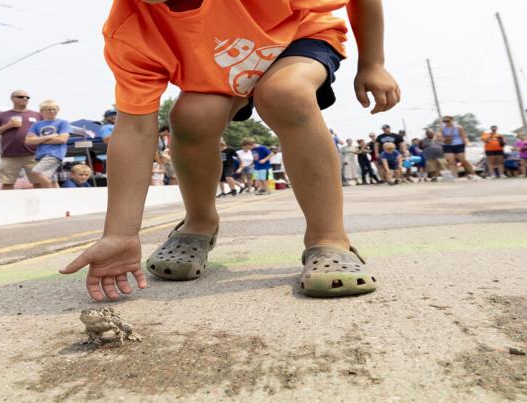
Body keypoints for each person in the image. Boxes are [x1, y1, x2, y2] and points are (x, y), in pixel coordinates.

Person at [62, 0, 399, 300]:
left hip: (297, 36)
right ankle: (199, 223)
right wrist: (120, 234)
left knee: (284, 94)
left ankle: (330, 238)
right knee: (191, 117)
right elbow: (135, 129)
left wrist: (373, 62)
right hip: (217, 68)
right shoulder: (130, 29)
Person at [0, 90, 42, 189]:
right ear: (12, 99)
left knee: (39, 182)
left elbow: (44, 131)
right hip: (9, 155)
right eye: (21, 97)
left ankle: (39, 200)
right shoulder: (1, 115)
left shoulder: (37, 115)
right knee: (7, 184)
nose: (25, 98)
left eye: (27, 97)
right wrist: (7, 126)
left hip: (34, 154)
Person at [25, 100, 77, 188]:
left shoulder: (63, 122)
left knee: (37, 172)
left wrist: (38, 140)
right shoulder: (37, 124)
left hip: (55, 154)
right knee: (53, 180)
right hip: (40, 155)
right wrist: (50, 137)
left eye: (55, 109)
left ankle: (48, 193)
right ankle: (56, 195)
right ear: (41, 111)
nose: (52, 111)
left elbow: (62, 139)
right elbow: (28, 141)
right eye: (49, 109)